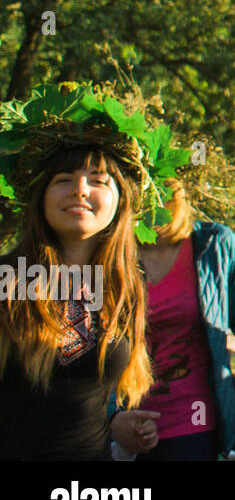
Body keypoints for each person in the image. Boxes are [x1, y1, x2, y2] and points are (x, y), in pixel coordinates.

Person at [0, 85, 186, 459]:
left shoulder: (127, 284)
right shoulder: (9, 277)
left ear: (121, 202)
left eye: (98, 181)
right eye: (64, 179)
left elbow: (90, 392)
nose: (80, 190)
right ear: (41, 198)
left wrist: (119, 421)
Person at [135, 179, 235, 460]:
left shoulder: (213, 245)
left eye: (160, 190)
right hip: (122, 418)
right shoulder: (111, 251)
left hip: (194, 417)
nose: (153, 200)